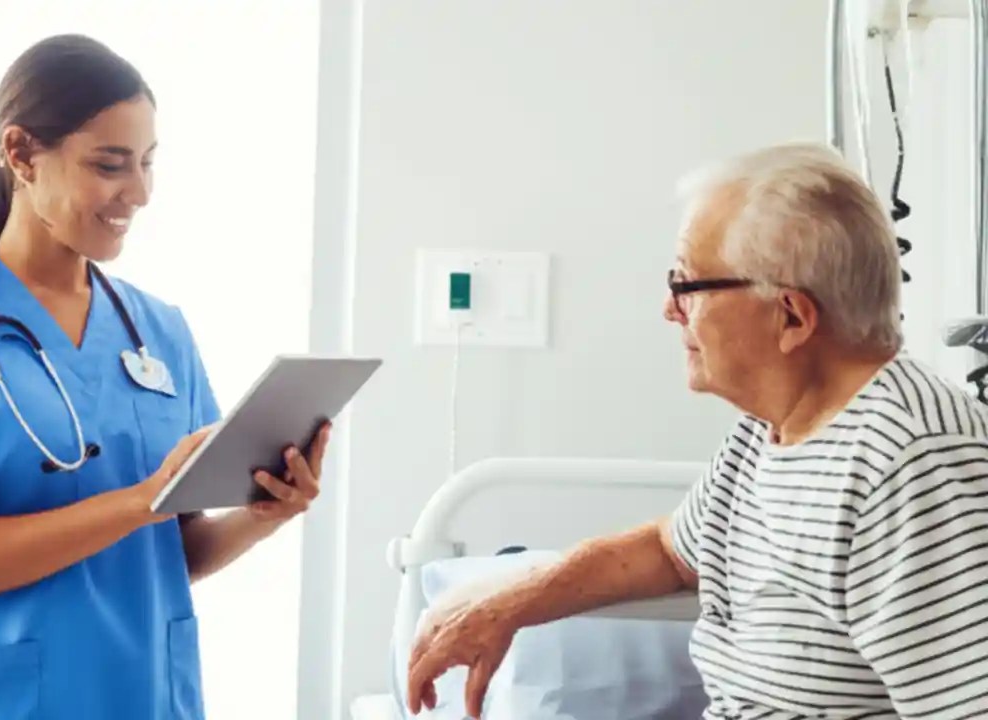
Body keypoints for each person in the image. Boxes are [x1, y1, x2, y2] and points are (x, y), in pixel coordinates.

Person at [406, 142, 988, 719]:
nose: (669, 309)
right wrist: (510, 598)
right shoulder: (768, 430)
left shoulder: (913, 466)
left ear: (790, 316)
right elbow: (673, 550)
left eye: (687, 285)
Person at [0, 34, 327, 720]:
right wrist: (139, 500)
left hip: (142, 695)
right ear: (20, 153)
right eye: (109, 165)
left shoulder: (160, 333)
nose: (139, 193)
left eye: (149, 165)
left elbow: (167, 552)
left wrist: (262, 515)